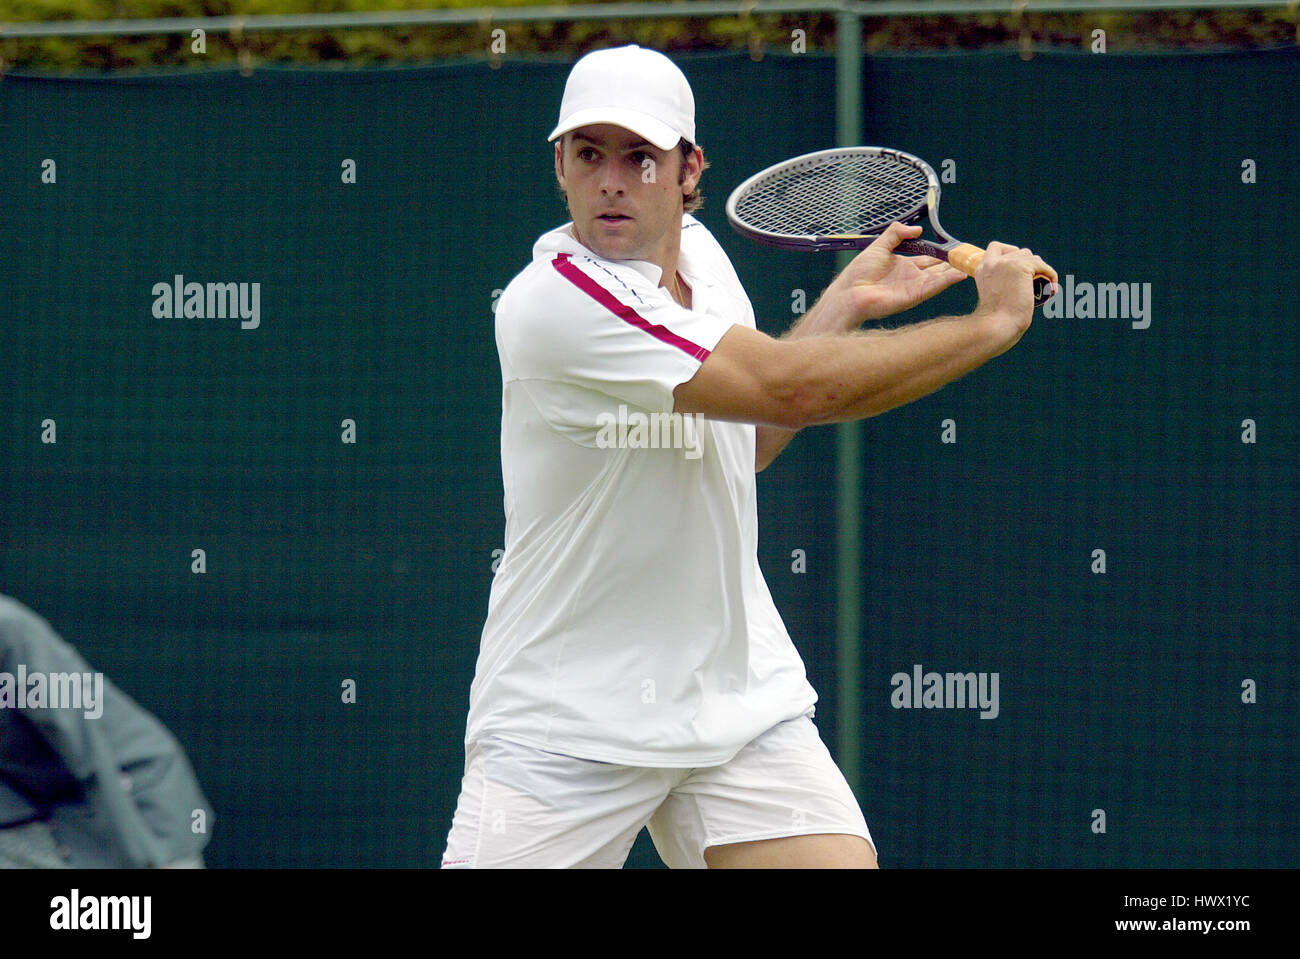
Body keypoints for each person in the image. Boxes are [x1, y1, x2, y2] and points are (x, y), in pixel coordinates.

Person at [441, 45, 1055, 869]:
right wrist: (989, 326)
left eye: (640, 157)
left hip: (733, 702)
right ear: (560, 165)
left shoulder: (704, 262)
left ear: (689, 169)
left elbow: (748, 442)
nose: (612, 180)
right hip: (568, 721)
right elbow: (787, 392)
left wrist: (844, 305)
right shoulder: (552, 303)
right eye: (588, 155)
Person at [0, 593, 214, 868]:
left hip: (135, 800)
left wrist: (146, 859)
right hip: (42, 810)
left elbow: (87, 752)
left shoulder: (10, 629)